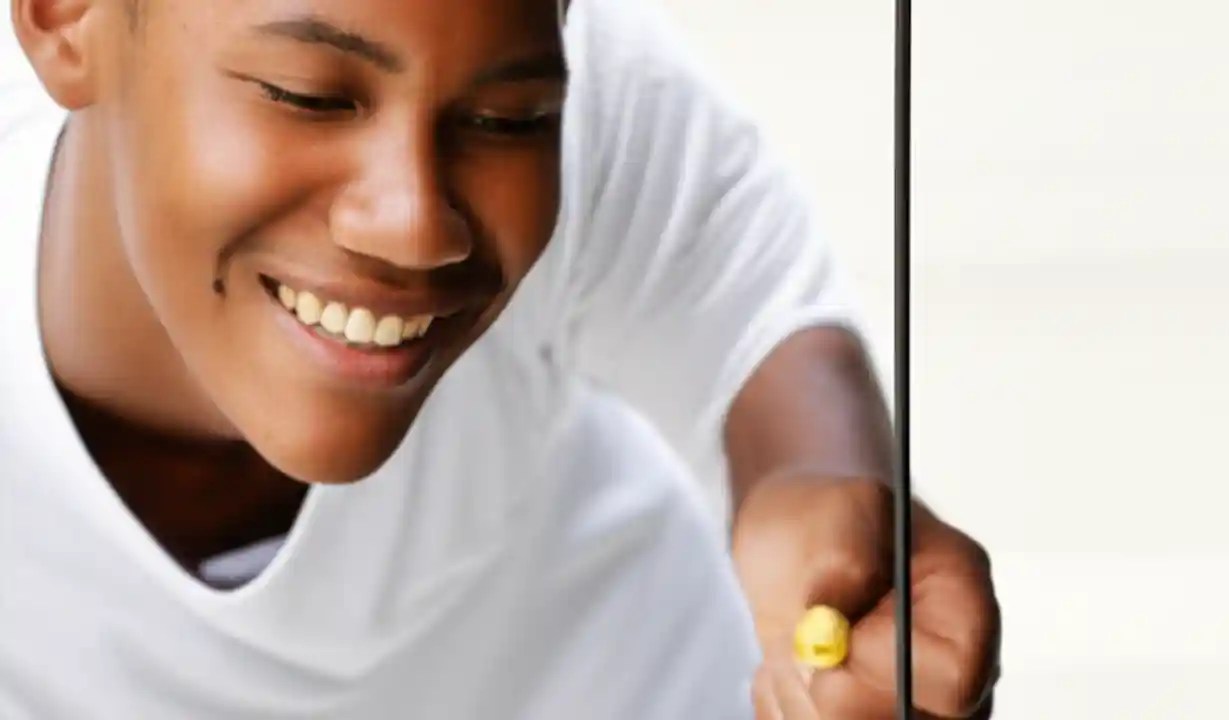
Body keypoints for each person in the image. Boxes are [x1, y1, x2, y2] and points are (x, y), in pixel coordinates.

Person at [0, 0, 1000, 717]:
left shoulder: (596, 96)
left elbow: (753, 324)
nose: (411, 224)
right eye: (307, 94)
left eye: (505, 124)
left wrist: (821, 514)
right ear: (61, 19)